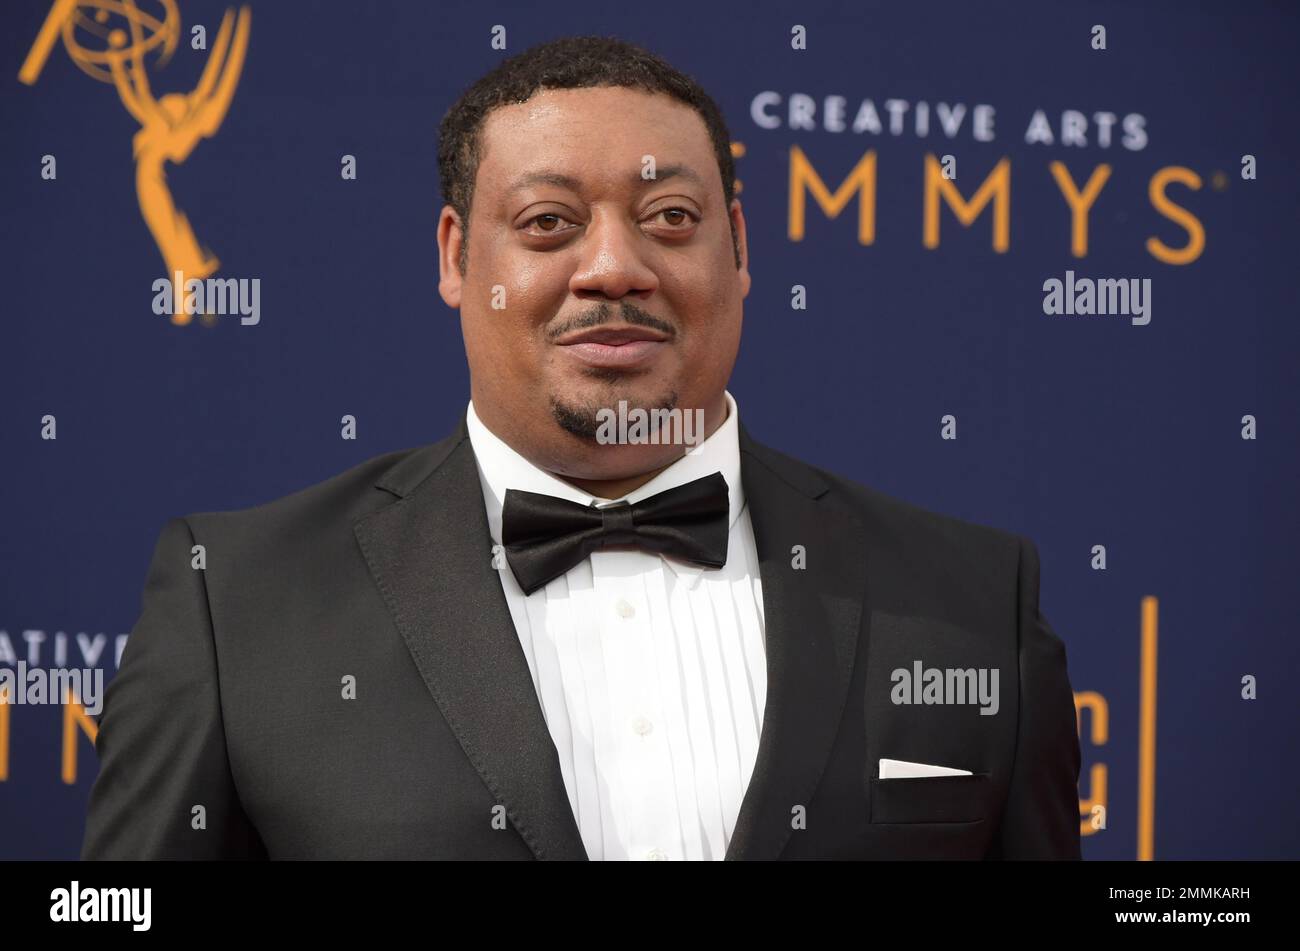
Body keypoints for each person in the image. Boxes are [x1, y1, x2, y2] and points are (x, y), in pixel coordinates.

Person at [82, 35, 1081, 860]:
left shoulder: (970, 602)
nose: (613, 266)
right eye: (549, 222)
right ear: (454, 256)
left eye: (670, 219)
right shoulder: (238, 602)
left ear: (738, 249)